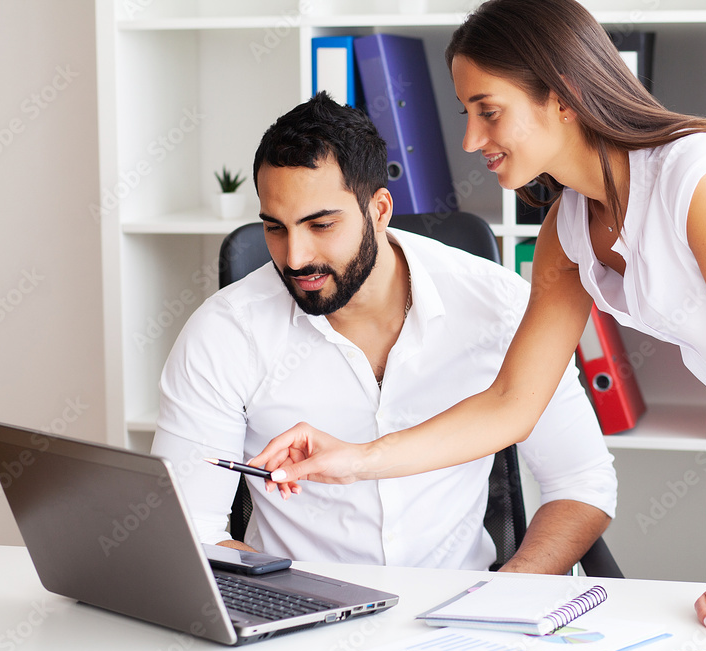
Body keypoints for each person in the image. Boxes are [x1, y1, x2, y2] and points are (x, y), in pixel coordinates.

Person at [251, 0, 706, 647]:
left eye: (489, 111)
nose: (471, 140)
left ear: (561, 95)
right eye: (465, 114)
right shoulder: (567, 232)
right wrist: (354, 459)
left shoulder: (702, 179)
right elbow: (510, 405)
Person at [150, 92, 617, 574]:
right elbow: (190, 527)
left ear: (379, 209)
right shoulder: (225, 331)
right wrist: (314, 604)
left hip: (462, 614)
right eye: (275, 227)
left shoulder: (498, 304)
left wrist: (509, 594)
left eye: (321, 224)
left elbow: (581, 482)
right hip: (300, 619)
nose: (294, 257)